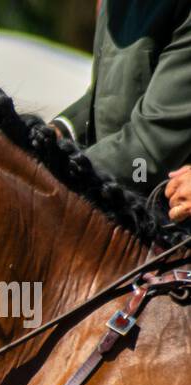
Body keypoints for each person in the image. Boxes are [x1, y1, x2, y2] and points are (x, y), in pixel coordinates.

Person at [52, 0, 191, 220]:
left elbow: (150, 149)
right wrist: (55, 133)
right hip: (109, 195)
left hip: (161, 218)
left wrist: (57, 169)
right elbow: (105, 96)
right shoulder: (111, 6)